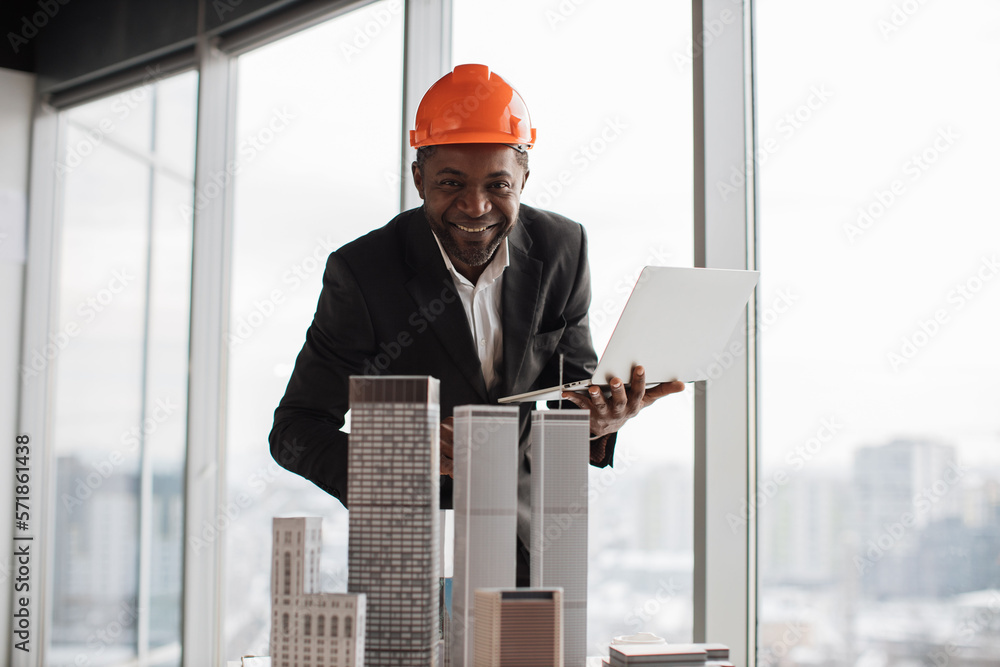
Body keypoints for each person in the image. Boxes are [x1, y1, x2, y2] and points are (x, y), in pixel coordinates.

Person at [268, 63, 684, 584]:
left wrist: (600, 421)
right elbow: (294, 430)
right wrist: (401, 458)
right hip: (411, 552)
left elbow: (568, 396)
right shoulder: (363, 272)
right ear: (419, 179)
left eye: (498, 184)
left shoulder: (562, 250)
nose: (476, 206)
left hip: (527, 544)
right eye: (451, 183)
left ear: (524, 179)